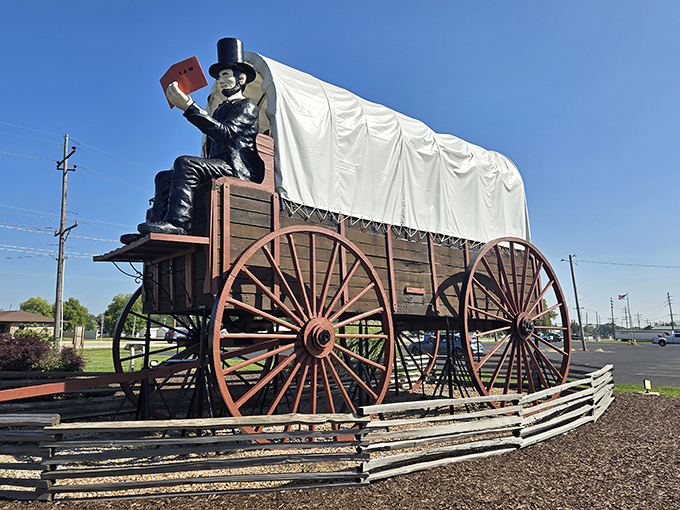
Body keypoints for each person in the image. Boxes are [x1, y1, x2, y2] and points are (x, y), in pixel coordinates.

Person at [121, 38, 263, 244]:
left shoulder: (247, 106)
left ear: (241, 79)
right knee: (163, 177)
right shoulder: (221, 108)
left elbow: (226, 134)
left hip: (235, 167)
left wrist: (188, 106)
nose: (221, 81)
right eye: (219, 77)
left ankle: (178, 224)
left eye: (226, 75)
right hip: (219, 164)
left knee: (185, 163)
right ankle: (155, 228)